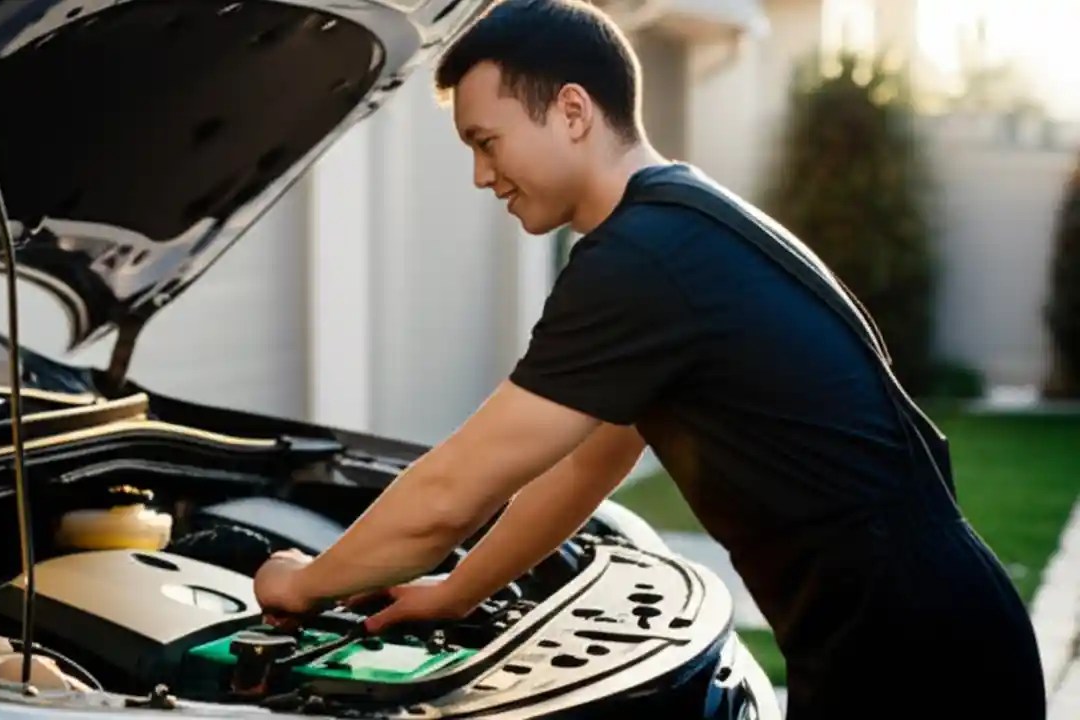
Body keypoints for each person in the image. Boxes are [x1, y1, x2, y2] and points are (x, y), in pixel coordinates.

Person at [253, 0, 1047, 716]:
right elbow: (586, 467)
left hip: (913, 665)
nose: (480, 175)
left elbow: (450, 494)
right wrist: (461, 591)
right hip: (922, 634)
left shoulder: (642, 260)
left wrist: (307, 580)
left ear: (571, 111)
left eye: (487, 142)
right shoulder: (677, 223)